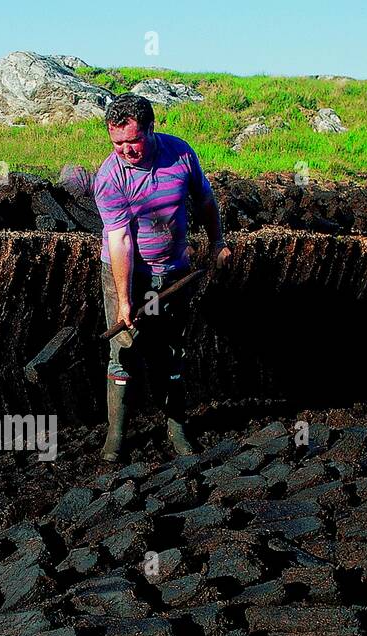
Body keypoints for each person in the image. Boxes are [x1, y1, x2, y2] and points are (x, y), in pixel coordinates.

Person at [93, 93, 230, 462]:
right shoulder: (110, 178)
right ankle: (116, 437)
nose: (126, 150)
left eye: (133, 140)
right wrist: (124, 300)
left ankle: (177, 429)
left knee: (170, 351)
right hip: (127, 273)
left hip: (173, 272)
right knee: (123, 351)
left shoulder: (180, 155)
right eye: (118, 143)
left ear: (151, 129)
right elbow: (119, 240)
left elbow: (204, 200)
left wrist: (217, 241)